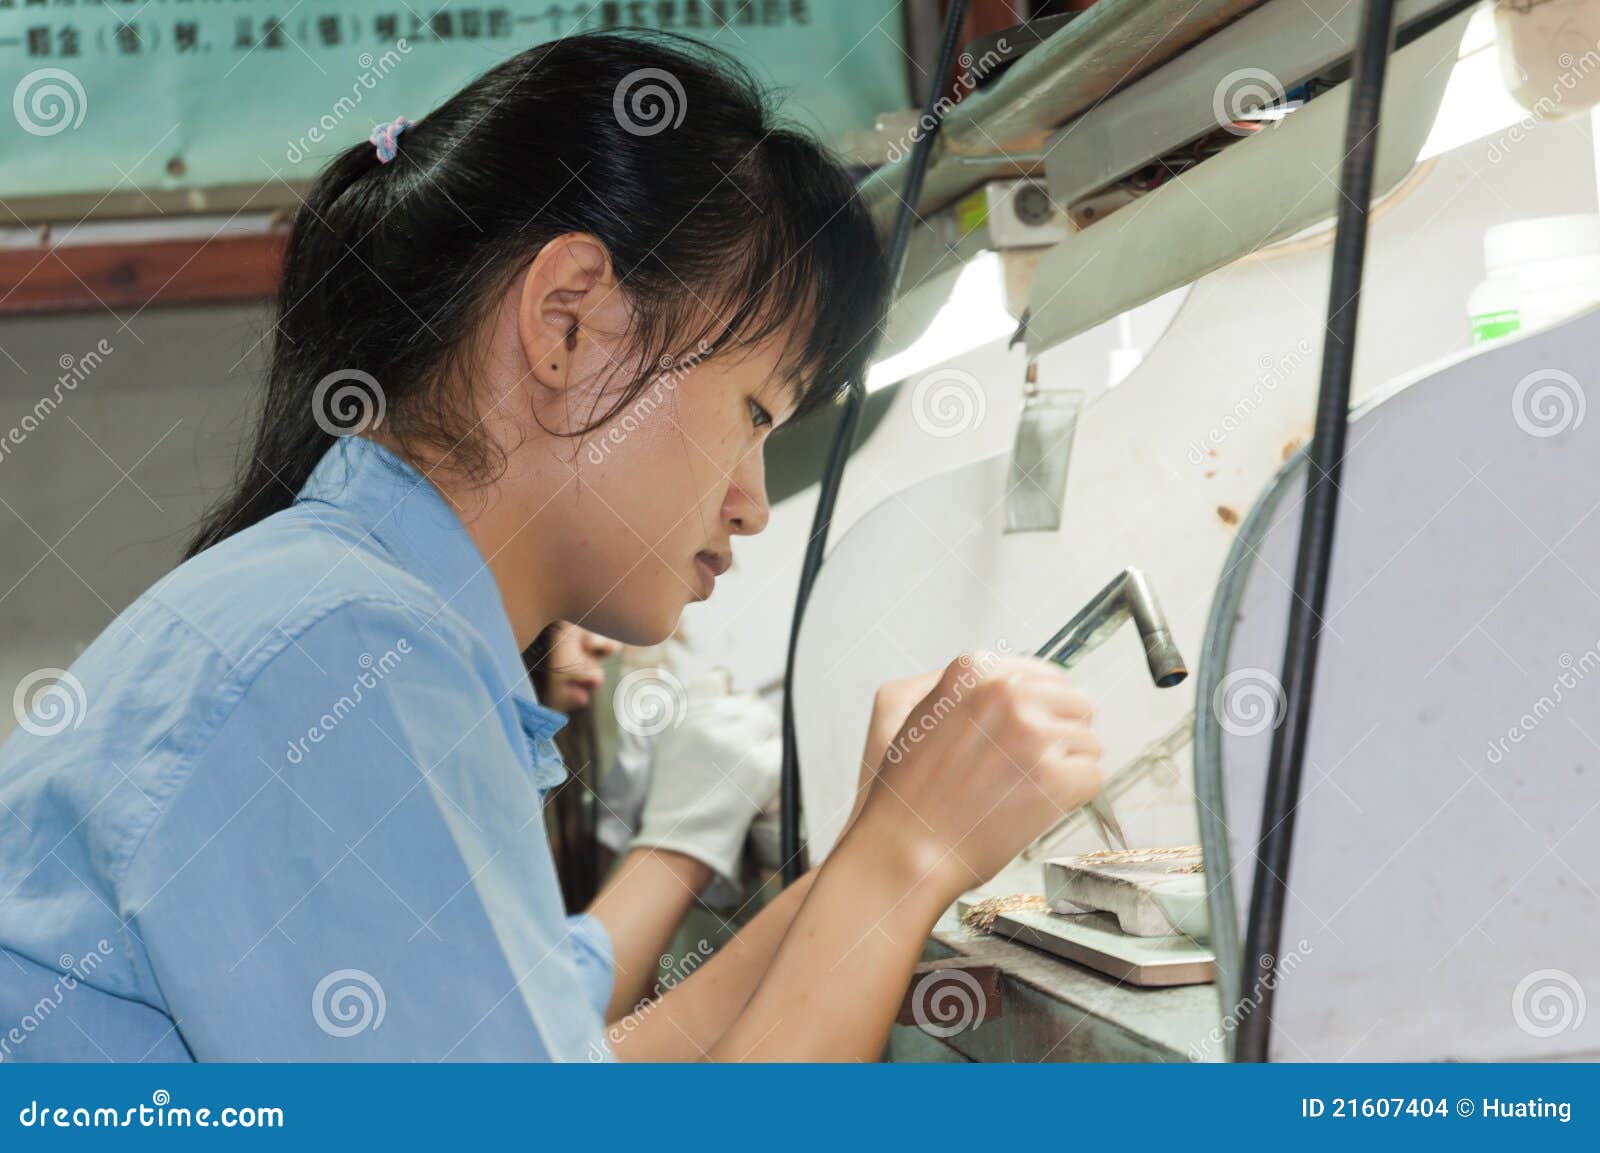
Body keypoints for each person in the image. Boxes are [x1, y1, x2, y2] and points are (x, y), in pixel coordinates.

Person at [0, 30, 1101, 1062]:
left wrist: (876, 840)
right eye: (757, 412)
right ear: (567, 320)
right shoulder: (340, 651)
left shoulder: (346, 609)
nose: (752, 501)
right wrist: (901, 865)